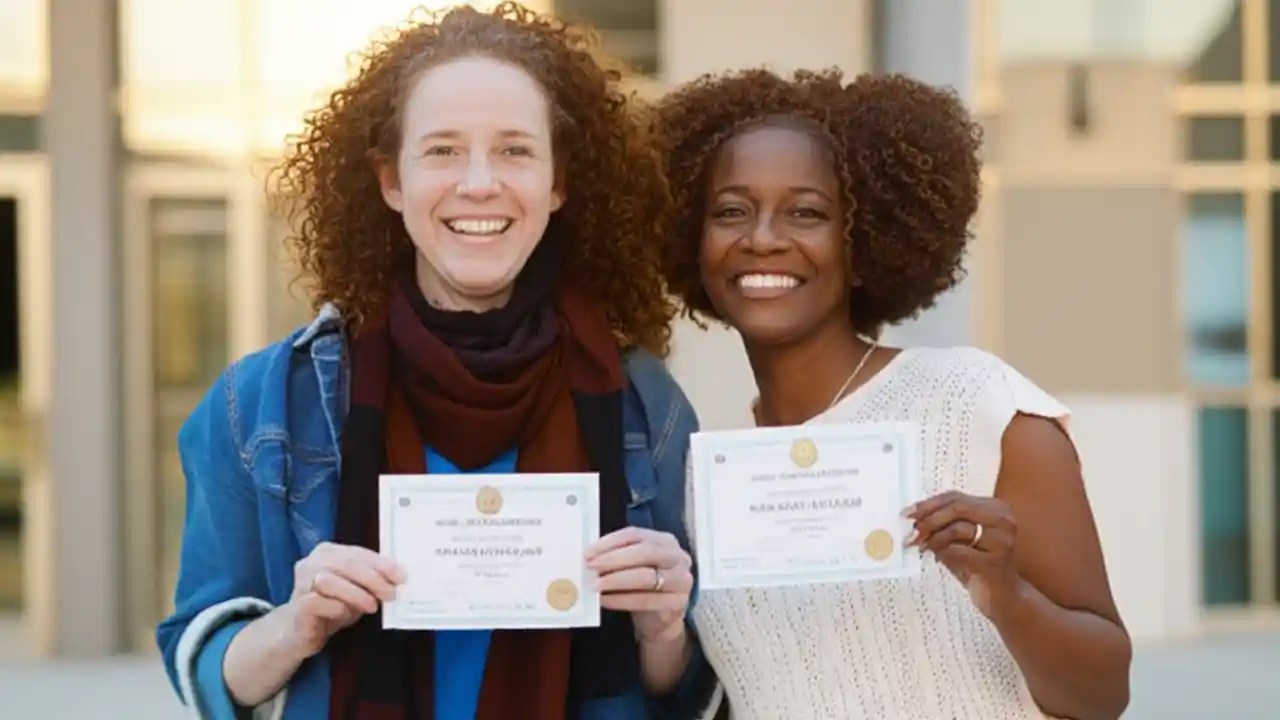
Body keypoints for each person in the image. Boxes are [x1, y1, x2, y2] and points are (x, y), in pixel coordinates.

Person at [156, 4, 716, 719]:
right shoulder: (264, 401)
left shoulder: (643, 399)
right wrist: (296, 626)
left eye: (515, 150)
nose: (479, 183)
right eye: (443, 150)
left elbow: (685, 691)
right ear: (391, 180)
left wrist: (665, 626)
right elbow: (204, 664)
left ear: (559, 182)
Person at [655, 68, 1132, 720]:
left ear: (865, 240)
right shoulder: (703, 478)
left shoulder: (978, 407)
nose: (762, 237)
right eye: (732, 211)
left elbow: (1105, 696)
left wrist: (1005, 593)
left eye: (806, 212)